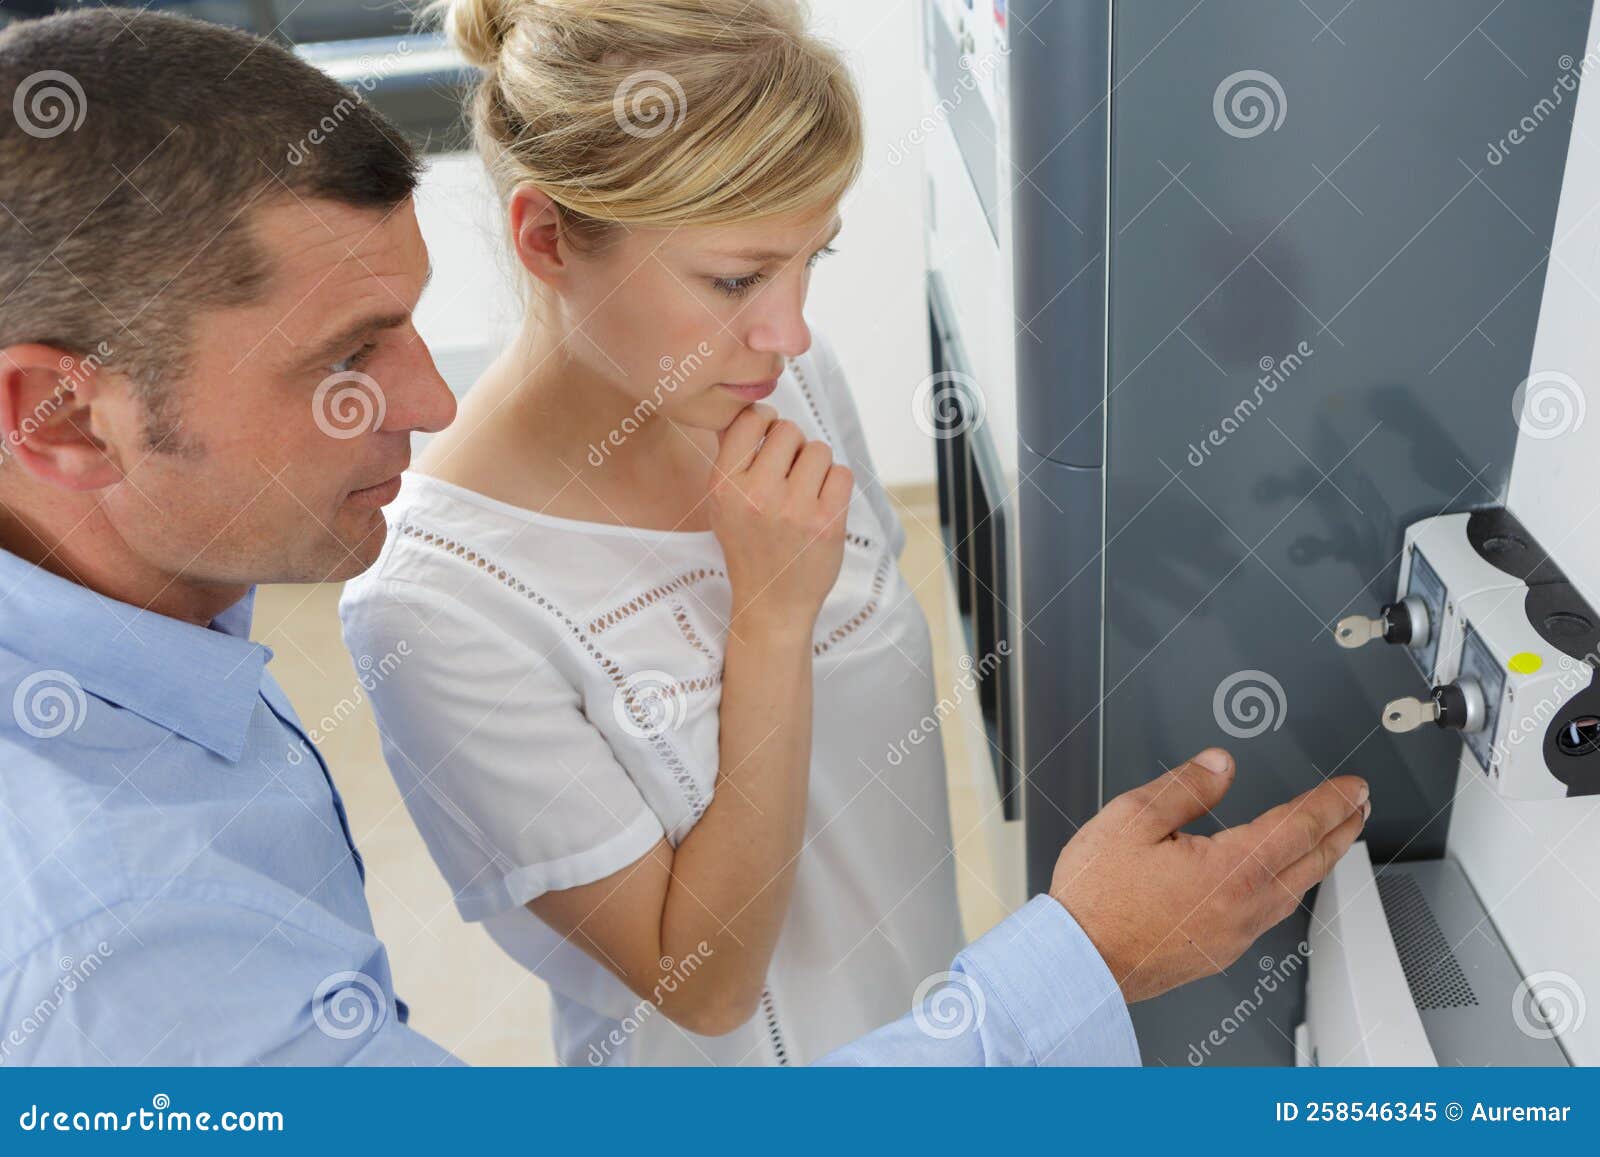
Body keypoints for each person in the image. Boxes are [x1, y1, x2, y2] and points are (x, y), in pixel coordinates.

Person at [0, 6, 1369, 1066]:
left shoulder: (772, 381)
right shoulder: (414, 614)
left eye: (810, 262)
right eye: (730, 278)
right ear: (544, 238)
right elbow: (701, 984)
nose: (421, 399)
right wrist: (767, 623)